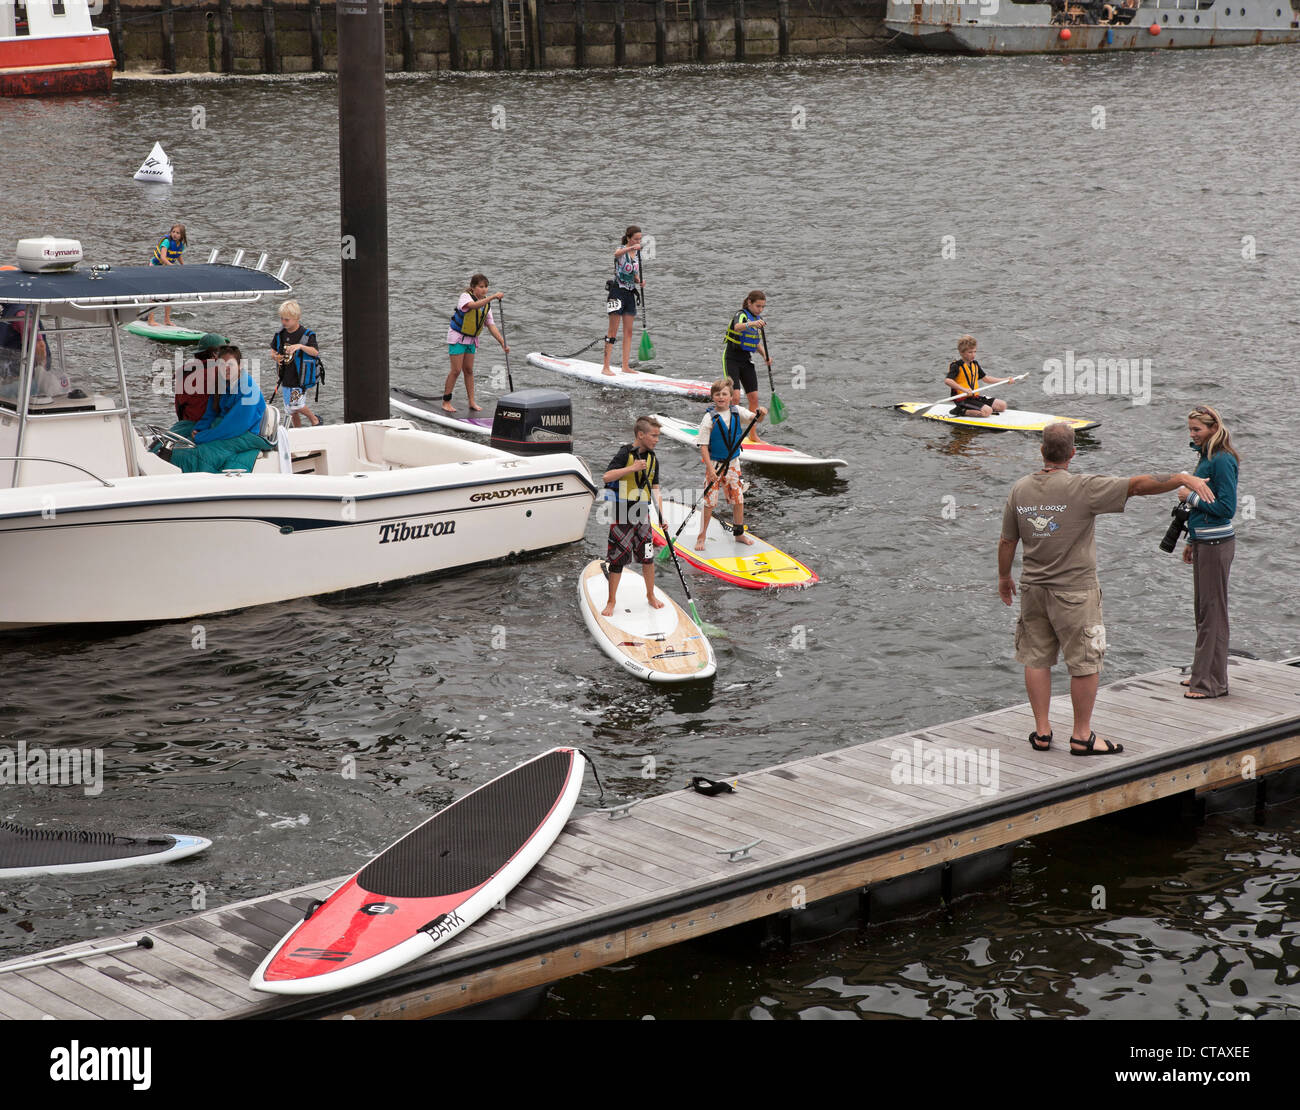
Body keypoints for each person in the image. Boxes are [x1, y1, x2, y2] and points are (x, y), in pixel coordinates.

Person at [997, 421, 1215, 756]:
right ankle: (1081, 736)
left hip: (1033, 589)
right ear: (1073, 452)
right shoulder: (1084, 487)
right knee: (1085, 662)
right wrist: (1183, 478)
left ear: (1042, 451)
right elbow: (1138, 486)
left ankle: (1042, 732)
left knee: (1036, 658)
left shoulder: (1020, 489)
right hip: (1075, 592)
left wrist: (1003, 578)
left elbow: (1008, 540)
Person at [1178, 404, 1239, 700]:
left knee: (1213, 612)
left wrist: (1189, 495)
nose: (1192, 434)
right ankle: (1200, 672)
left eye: (1197, 429)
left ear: (1213, 428)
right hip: (1204, 541)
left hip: (1217, 543)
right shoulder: (1206, 457)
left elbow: (1226, 509)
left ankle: (1210, 683)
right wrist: (1191, 540)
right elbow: (1203, 506)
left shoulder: (1223, 460)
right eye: (1190, 429)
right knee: (1203, 611)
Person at [153, 346, 272, 474]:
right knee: (180, 436)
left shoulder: (248, 389)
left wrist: (204, 436)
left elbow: (234, 427)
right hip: (223, 427)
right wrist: (199, 428)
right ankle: (156, 456)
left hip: (245, 434)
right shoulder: (221, 382)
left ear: (240, 365)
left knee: (200, 454)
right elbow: (211, 412)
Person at [601, 416, 666, 617]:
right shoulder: (624, 453)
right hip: (622, 512)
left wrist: (661, 517)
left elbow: (655, 489)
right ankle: (611, 601)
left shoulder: (653, 458)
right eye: (653, 436)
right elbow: (606, 477)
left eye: (658, 436)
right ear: (640, 434)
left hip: (642, 514)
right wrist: (632, 468)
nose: (657, 440)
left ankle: (650, 595)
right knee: (618, 559)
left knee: (647, 557)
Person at [697, 379, 765, 549]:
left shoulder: (737, 411)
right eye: (717, 394)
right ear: (713, 397)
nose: (721, 397)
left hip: (733, 464)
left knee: (738, 499)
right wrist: (710, 469)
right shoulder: (708, 418)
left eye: (724, 394)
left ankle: (739, 533)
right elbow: (703, 447)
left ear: (730, 397)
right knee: (709, 502)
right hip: (714, 465)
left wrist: (762, 412)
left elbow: (756, 418)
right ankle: (702, 536)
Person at [443, 275, 506, 413]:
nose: (484, 290)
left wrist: (502, 342)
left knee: (469, 370)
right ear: (473, 287)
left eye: (486, 287)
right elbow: (473, 306)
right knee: (456, 370)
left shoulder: (486, 305)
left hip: (471, 340)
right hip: (458, 338)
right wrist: (493, 297)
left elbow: (491, 325)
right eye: (481, 287)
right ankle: (446, 401)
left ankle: (471, 402)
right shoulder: (465, 297)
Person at [723, 290, 771, 442]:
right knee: (735, 397)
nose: (760, 310)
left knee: (754, 398)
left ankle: (752, 434)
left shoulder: (758, 319)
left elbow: (754, 341)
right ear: (749, 302)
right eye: (758, 306)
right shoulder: (741, 314)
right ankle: (732, 432)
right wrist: (752, 323)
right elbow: (737, 327)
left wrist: (765, 356)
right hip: (731, 358)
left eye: (763, 307)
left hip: (746, 360)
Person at [269, 301, 323, 428]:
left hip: (300, 378)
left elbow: (315, 352)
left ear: (296, 319)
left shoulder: (307, 335)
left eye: (287, 320)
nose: (283, 322)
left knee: (296, 404)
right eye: (282, 318)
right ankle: (297, 430)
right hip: (286, 377)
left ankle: (315, 420)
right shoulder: (280, 334)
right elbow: (273, 350)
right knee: (289, 409)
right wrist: (275, 357)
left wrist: (300, 346)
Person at [601, 226, 644, 377]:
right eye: (635, 239)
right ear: (628, 238)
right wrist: (631, 248)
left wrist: (639, 281)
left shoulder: (637, 255)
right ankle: (606, 367)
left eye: (640, 239)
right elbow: (617, 253)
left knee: (629, 332)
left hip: (630, 294)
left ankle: (625, 366)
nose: (638, 242)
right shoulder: (621, 250)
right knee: (612, 331)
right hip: (617, 292)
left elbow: (634, 274)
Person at [945, 334, 1012, 417]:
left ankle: (980, 408)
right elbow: (948, 381)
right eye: (970, 352)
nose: (973, 355)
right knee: (987, 411)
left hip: (974, 397)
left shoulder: (975, 364)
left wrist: (1005, 380)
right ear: (962, 353)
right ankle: (960, 410)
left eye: (974, 351)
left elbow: (986, 379)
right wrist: (964, 389)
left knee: (1002, 406)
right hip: (962, 399)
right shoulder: (956, 366)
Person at [173, 333, 228, 427]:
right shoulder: (221, 372)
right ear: (215, 354)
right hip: (209, 428)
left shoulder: (183, 373)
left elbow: (179, 409)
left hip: (185, 426)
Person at [147, 223, 186, 327]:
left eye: (178, 233)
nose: (175, 234)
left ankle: (167, 320)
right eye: (173, 232)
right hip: (156, 267)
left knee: (169, 295)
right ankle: (150, 320)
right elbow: (163, 257)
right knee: (154, 294)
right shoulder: (166, 242)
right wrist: (172, 266)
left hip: (167, 269)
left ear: (182, 235)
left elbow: (178, 255)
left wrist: (183, 266)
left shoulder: (180, 245)